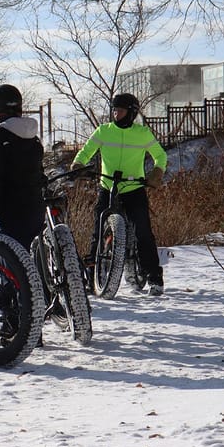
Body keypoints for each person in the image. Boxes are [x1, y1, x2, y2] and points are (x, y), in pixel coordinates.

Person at [71, 92, 168, 296]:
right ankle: (92, 278)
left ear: (131, 113)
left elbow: (160, 155)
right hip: (108, 186)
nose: (116, 114)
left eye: (121, 110)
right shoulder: (104, 131)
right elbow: (86, 151)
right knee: (98, 230)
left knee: (143, 232)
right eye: (114, 110)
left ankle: (154, 277)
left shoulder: (142, 133)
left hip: (133, 188)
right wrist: (78, 164)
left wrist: (157, 172)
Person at [0, 84, 45, 253]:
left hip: (9, 213)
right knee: (30, 264)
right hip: (35, 209)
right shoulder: (33, 139)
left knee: (9, 266)